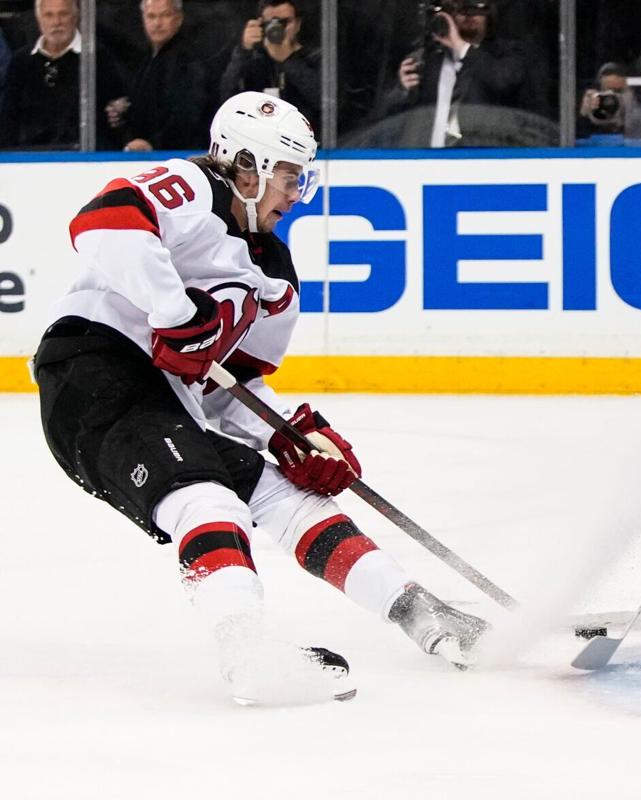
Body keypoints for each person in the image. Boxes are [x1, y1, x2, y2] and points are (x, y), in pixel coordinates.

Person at [32, 91, 489, 704]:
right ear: (246, 165)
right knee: (206, 496)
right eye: (289, 175)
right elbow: (102, 223)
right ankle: (246, 651)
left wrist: (285, 433)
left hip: (168, 402)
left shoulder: (273, 275)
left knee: (287, 496)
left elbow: (230, 383)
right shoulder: (193, 188)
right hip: (92, 374)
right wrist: (174, 310)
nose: (297, 193)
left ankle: (421, 613)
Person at [390, 0, 528, 147]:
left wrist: (461, 47)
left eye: (474, 6)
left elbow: (503, 81)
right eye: (460, 7)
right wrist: (402, 90)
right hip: (431, 157)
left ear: (489, 13)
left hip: (482, 157)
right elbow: (391, 121)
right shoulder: (427, 60)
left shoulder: (506, 54)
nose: (468, 14)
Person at [0, 0, 124, 150]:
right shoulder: (21, 61)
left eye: (63, 14)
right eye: (49, 15)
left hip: (84, 156)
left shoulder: (98, 57)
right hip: (30, 156)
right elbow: (9, 119)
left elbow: (117, 113)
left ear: (76, 17)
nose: (56, 22)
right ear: (39, 19)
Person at [106, 0, 207, 152]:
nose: (157, 23)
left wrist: (154, 144)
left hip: (176, 155)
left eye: (165, 15)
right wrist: (123, 112)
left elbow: (189, 115)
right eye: (151, 16)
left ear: (178, 19)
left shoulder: (187, 60)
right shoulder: (146, 60)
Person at [219, 0, 321, 133]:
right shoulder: (254, 59)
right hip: (259, 135)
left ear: (297, 24)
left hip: (306, 136)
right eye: (270, 23)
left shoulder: (315, 57)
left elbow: (326, 101)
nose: (277, 29)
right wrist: (243, 51)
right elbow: (227, 98)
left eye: (284, 22)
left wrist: (288, 60)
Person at [577, 61, 627, 138]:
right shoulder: (592, 113)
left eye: (618, 91)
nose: (613, 96)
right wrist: (584, 115)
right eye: (607, 91)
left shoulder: (634, 108)